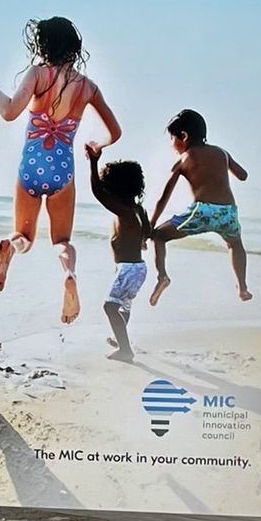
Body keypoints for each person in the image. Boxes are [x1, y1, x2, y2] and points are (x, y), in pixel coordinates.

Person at [0, 16, 122, 325]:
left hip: (31, 165)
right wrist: (100, 145)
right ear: (74, 47)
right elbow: (116, 132)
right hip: (62, 170)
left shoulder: (38, 74)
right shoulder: (87, 87)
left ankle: (11, 247)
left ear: (43, 45)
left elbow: (8, 111)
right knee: (61, 241)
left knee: (24, 236)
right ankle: (69, 273)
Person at [147, 108, 251, 305]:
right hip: (228, 213)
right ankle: (242, 287)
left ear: (183, 136)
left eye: (172, 138)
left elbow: (164, 198)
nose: (171, 145)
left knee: (160, 236)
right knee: (235, 244)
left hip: (203, 212)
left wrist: (151, 224)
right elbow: (243, 175)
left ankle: (162, 276)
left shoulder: (183, 161)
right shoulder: (222, 153)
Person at [84, 144, 152, 362]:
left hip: (129, 268)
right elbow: (148, 232)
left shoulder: (123, 211)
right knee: (123, 306)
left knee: (110, 306)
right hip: (138, 268)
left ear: (116, 190)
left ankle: (125, 350)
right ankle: (119, 339)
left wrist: (93, 163)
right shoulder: (138, 210)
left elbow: (97, 192)